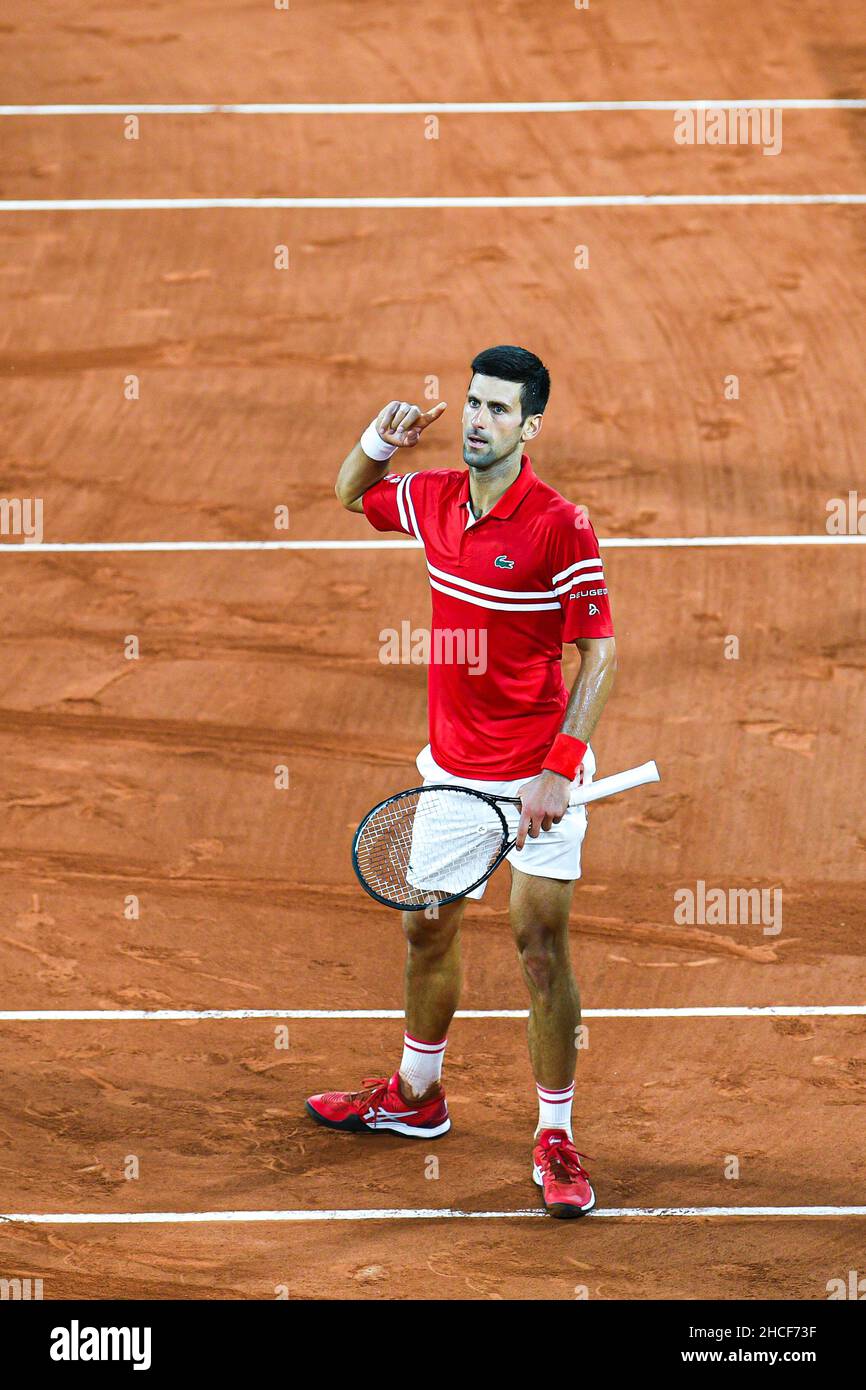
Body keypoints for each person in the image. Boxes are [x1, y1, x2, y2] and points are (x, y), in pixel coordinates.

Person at [306, 345, 616, 1217]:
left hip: (540, 778)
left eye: (499, 410)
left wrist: (559, 768)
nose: (479, 421)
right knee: (425, 935)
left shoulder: (562, 524)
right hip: (452, 773)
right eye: (473, 405)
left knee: (539, 946)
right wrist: (379, 437)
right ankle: (416, 1094)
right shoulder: (436, 498)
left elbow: (602, 654)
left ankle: (554, 1136)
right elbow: (349, 493)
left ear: (531, 427)